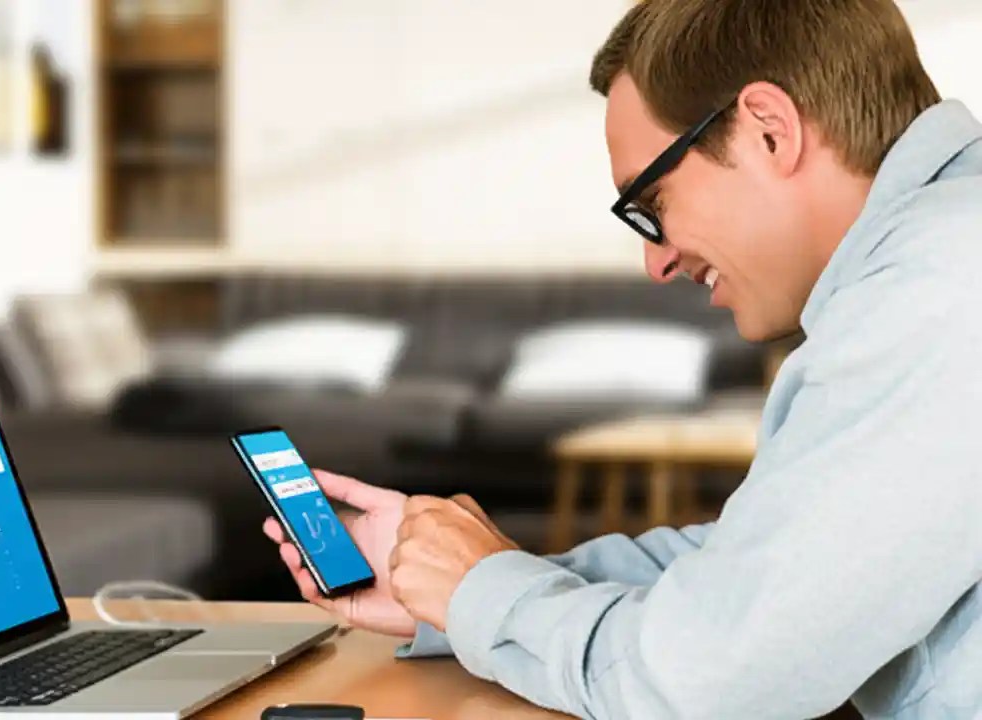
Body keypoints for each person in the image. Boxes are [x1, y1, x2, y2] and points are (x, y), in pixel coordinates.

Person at [262, 0, 982, 717]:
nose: (655, 261)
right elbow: (763, 570)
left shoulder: (939, 285)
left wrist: (485, 593)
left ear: (769, 130)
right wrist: (470, 590)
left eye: (651, 201)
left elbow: (711, 680)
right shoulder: (937, 260)